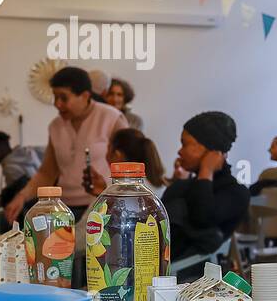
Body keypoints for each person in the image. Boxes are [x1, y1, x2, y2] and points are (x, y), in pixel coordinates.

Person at [4, 66, 127, 223]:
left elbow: (129, 166)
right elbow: (47, 173)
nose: (57, 104)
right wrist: (21, 197)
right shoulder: (55, 126)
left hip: (102, 208)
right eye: (55, 97)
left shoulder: (112, 118)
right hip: (64, 209)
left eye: (64, 98)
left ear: (84, 96)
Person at [162, 112, 250, 268]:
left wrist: (206, 170)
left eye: (185, 144)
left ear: (210, 149)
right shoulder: (182, 186)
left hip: (188, 276)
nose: (180, 151)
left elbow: (201, 218)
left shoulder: (236, 193)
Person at [83, 128, 168, 198]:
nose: (106, 155)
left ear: (117, 155)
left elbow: (119, 215)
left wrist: (104, 193)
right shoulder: (156, 183)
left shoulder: (126, 188)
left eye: (108, 148)